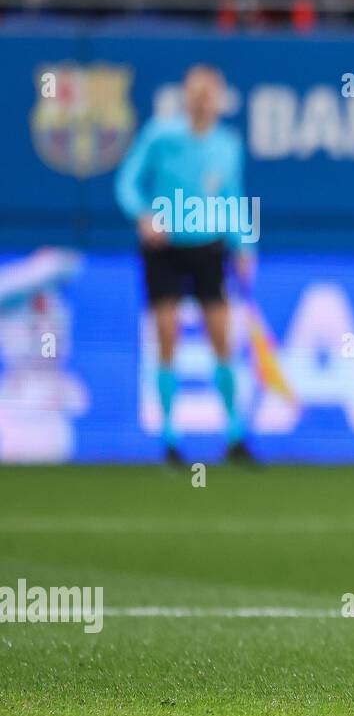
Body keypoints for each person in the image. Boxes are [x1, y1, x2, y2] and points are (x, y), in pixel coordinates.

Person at [115, 64, 257, 467]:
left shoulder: (228, 144)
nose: (202, 99)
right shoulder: (161, 135)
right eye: (195, 92)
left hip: (209, 248)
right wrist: (142, 215)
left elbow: (233, 197)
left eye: (209, 93)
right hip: (165, 249)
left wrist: (246, 246)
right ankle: (170, 436)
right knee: (166, 336)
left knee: (222, 340)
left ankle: (234, 434)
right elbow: (127, 181)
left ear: (220, 99)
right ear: (184, 96)